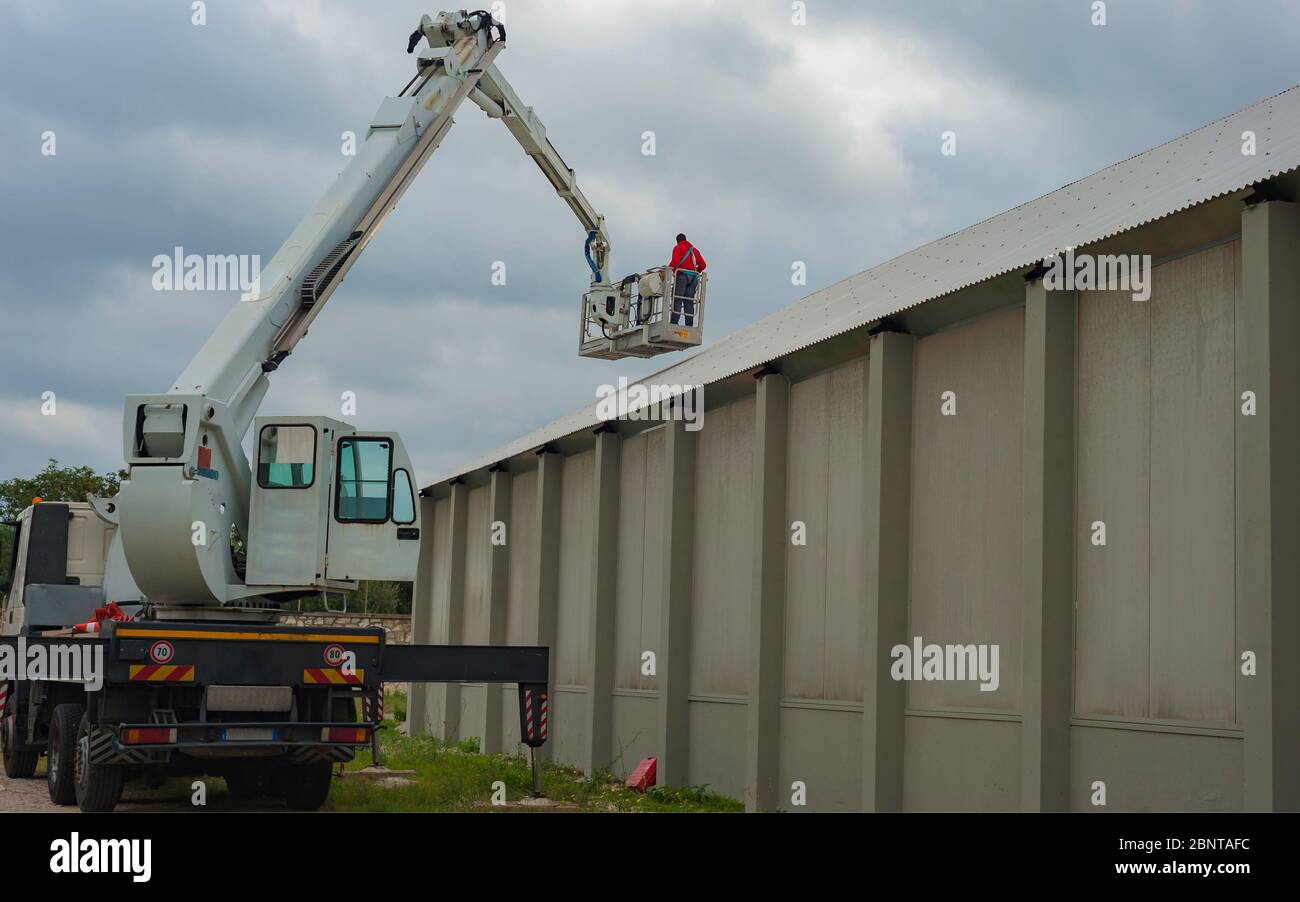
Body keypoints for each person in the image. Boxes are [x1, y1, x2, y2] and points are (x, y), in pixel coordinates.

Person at [668, 233, 706, 326]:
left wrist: (668, 271)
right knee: (689, 302)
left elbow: (675, 261)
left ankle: (674, 322)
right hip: (693, 279)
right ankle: (689, 324)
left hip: (682, 276)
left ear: (677, 241)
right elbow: (703, 265)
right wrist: (696, 271)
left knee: (677, 299)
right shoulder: (695, 251)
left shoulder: (678, 248)